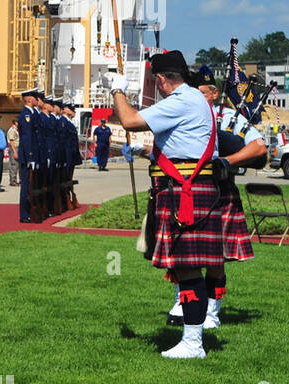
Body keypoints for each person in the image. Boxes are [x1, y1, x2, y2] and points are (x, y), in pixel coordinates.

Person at [111, 50, 223, 359]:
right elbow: (180, 147)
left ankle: (193, 342)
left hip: (182, 193)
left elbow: (130, 120)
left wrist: (117, 90)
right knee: (185, 268)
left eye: (155, 81)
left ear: (161, 79)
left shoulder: (181, 100)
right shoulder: (192, 99)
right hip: (184, 189)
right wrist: (148, 153)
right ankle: (192, 338)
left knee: (187, 269)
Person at [165, 71, 267, 329]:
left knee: (215, 258)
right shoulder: (182, 114)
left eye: (201, 92)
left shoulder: (229, 117)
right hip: (187, 192)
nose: (195, 98)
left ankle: (211, 311)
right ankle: (182, 302)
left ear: (213, 93)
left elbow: (259, 147)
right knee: (184, 253)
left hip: (220, 191)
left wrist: (227, 160)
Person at [17, 89, 42, 221]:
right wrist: (31, 157)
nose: (36, 100)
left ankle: (30, 212)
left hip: (33, 155)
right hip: (28, 156)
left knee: (32, 186)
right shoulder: (26, 115)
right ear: (29, 99)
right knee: (26, 186)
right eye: (34, 97)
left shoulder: (33, 113)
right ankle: (24, 214)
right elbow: (27, 138)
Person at [6, 118, 20, 187]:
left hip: (18, 148)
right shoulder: (12, 130)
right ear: (15, 122)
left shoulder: (16, 130)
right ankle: (13, 180)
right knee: (13, 164)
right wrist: (14, 151)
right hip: (14, 148)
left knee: (17, 165)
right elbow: (11, 141)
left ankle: (17, 180)